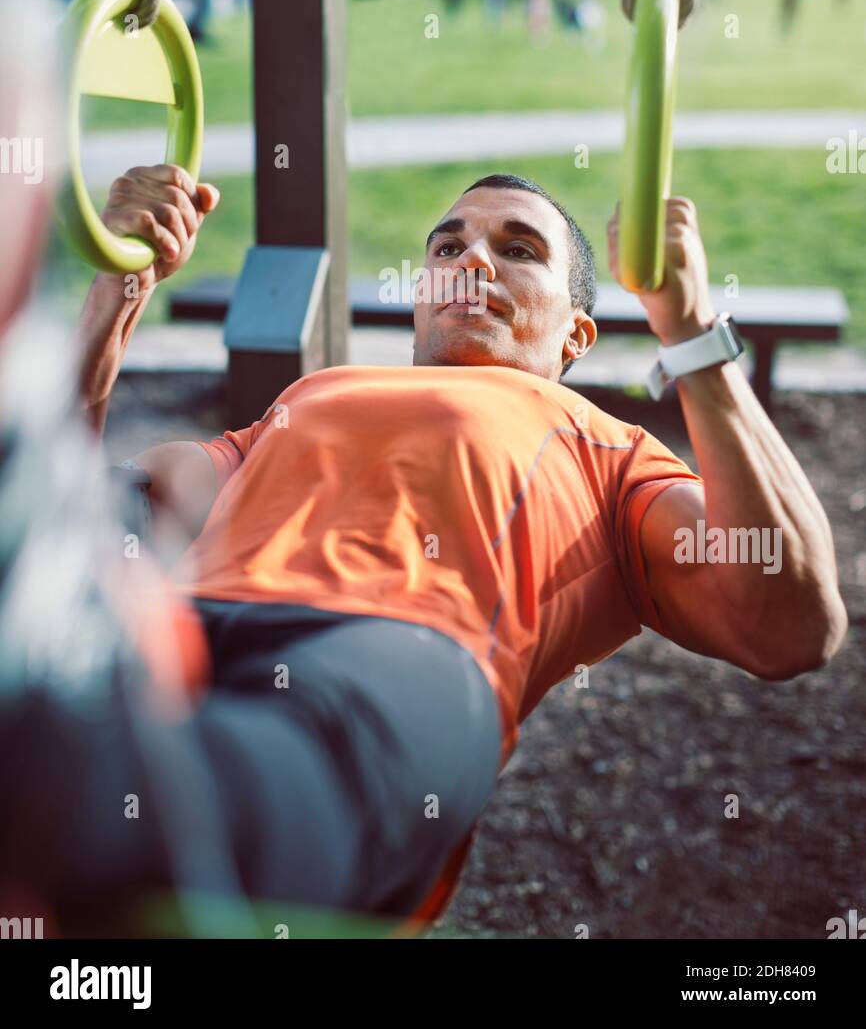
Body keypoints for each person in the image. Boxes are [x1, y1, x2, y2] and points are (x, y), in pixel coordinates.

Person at [2, 151, 849, 928]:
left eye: (518, 251)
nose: (470, 261)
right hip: (187, 627)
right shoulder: (314, 396)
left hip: (392, 655)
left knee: (158, 829)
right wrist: (117, 292)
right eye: (448, 248)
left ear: (576, 337)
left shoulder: (609, 451)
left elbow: (789, 622)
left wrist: (693, 331)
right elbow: (75, 517)